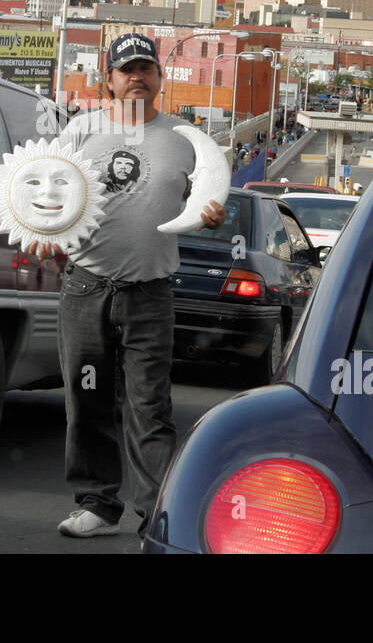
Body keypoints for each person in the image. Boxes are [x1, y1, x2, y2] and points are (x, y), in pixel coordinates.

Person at [31, 33, 225, 540]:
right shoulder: (80, 132)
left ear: (160, 77)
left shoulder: (186, 138)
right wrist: (44, 237)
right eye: (126, 69)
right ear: (109, 81)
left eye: (146, 68)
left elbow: (204, 204)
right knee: (87, 399)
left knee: (150, 406)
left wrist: (211, 218)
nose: (136, 76)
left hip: (150, 293)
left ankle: (157, 512)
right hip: (85, 288)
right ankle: (97, 504)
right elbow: (45, 198)